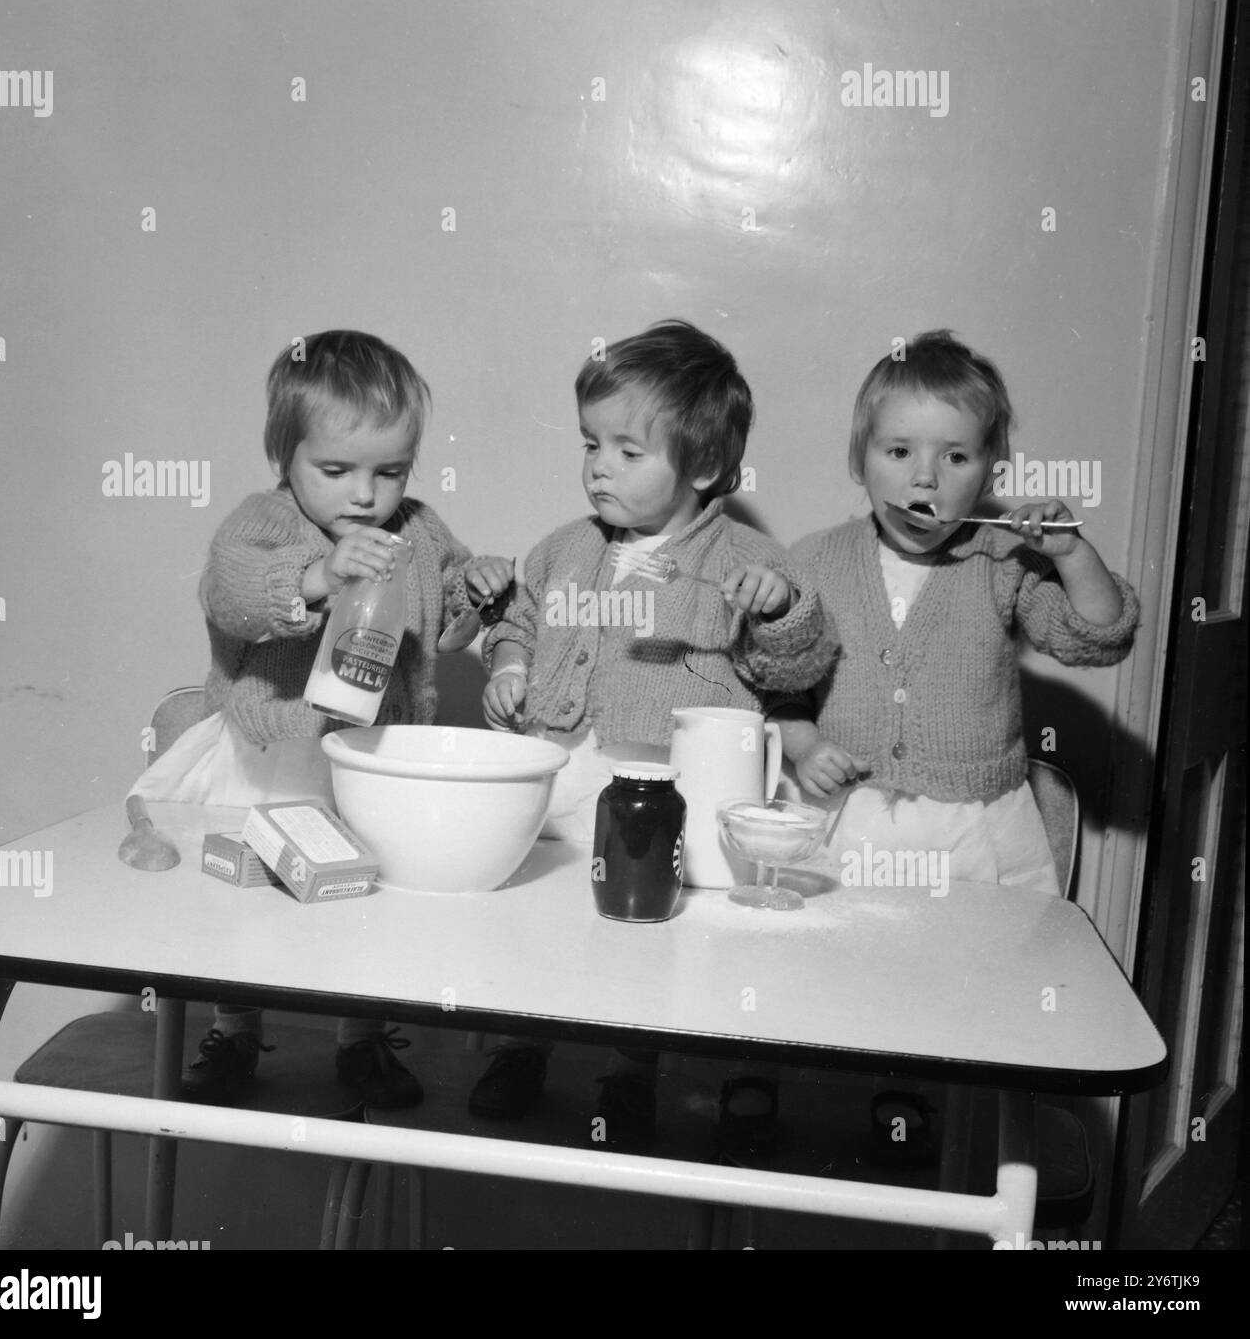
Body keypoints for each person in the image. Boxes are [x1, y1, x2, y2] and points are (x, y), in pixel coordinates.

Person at [775, 329, 1140, 1162]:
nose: (925, 478)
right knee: (843, 989)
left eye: (956, 457)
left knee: (969, 998)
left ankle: (935, 1131)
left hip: (975, 829)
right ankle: (839, 1127)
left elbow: (1097, 634)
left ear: (991, 471)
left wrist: (1071, 552)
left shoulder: (1001, 558)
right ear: (859, 457)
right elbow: (776, 679)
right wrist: (799, 742)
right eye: (899, 450)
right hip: (851, 819)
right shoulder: (819, 561)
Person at [473, 319, 837, 1152]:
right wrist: (508, 667)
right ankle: (519, 1047)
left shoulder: (747, 558)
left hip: (662, 783)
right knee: (537, 923)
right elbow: (519, 622)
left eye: (628, 451)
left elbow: (800, 665)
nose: (599, 465)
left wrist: (779, 609)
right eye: (590, 443)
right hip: (563, 770)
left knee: (640, 937)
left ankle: (630, 1072)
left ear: (703, 467)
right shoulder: (566, 548)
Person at [128, 329, 513, 1109]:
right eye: (336, 471)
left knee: (364, 901)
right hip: (268, 753)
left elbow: (442, 628)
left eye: (390, 470)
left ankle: (361, 1040)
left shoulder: (420, 529)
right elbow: (229, 594)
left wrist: (476, 587)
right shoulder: (260, 523)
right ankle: (234, 1029)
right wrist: (316, 575)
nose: (366, 495)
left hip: (365, 761)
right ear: (287, 454)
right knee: (243, 902)